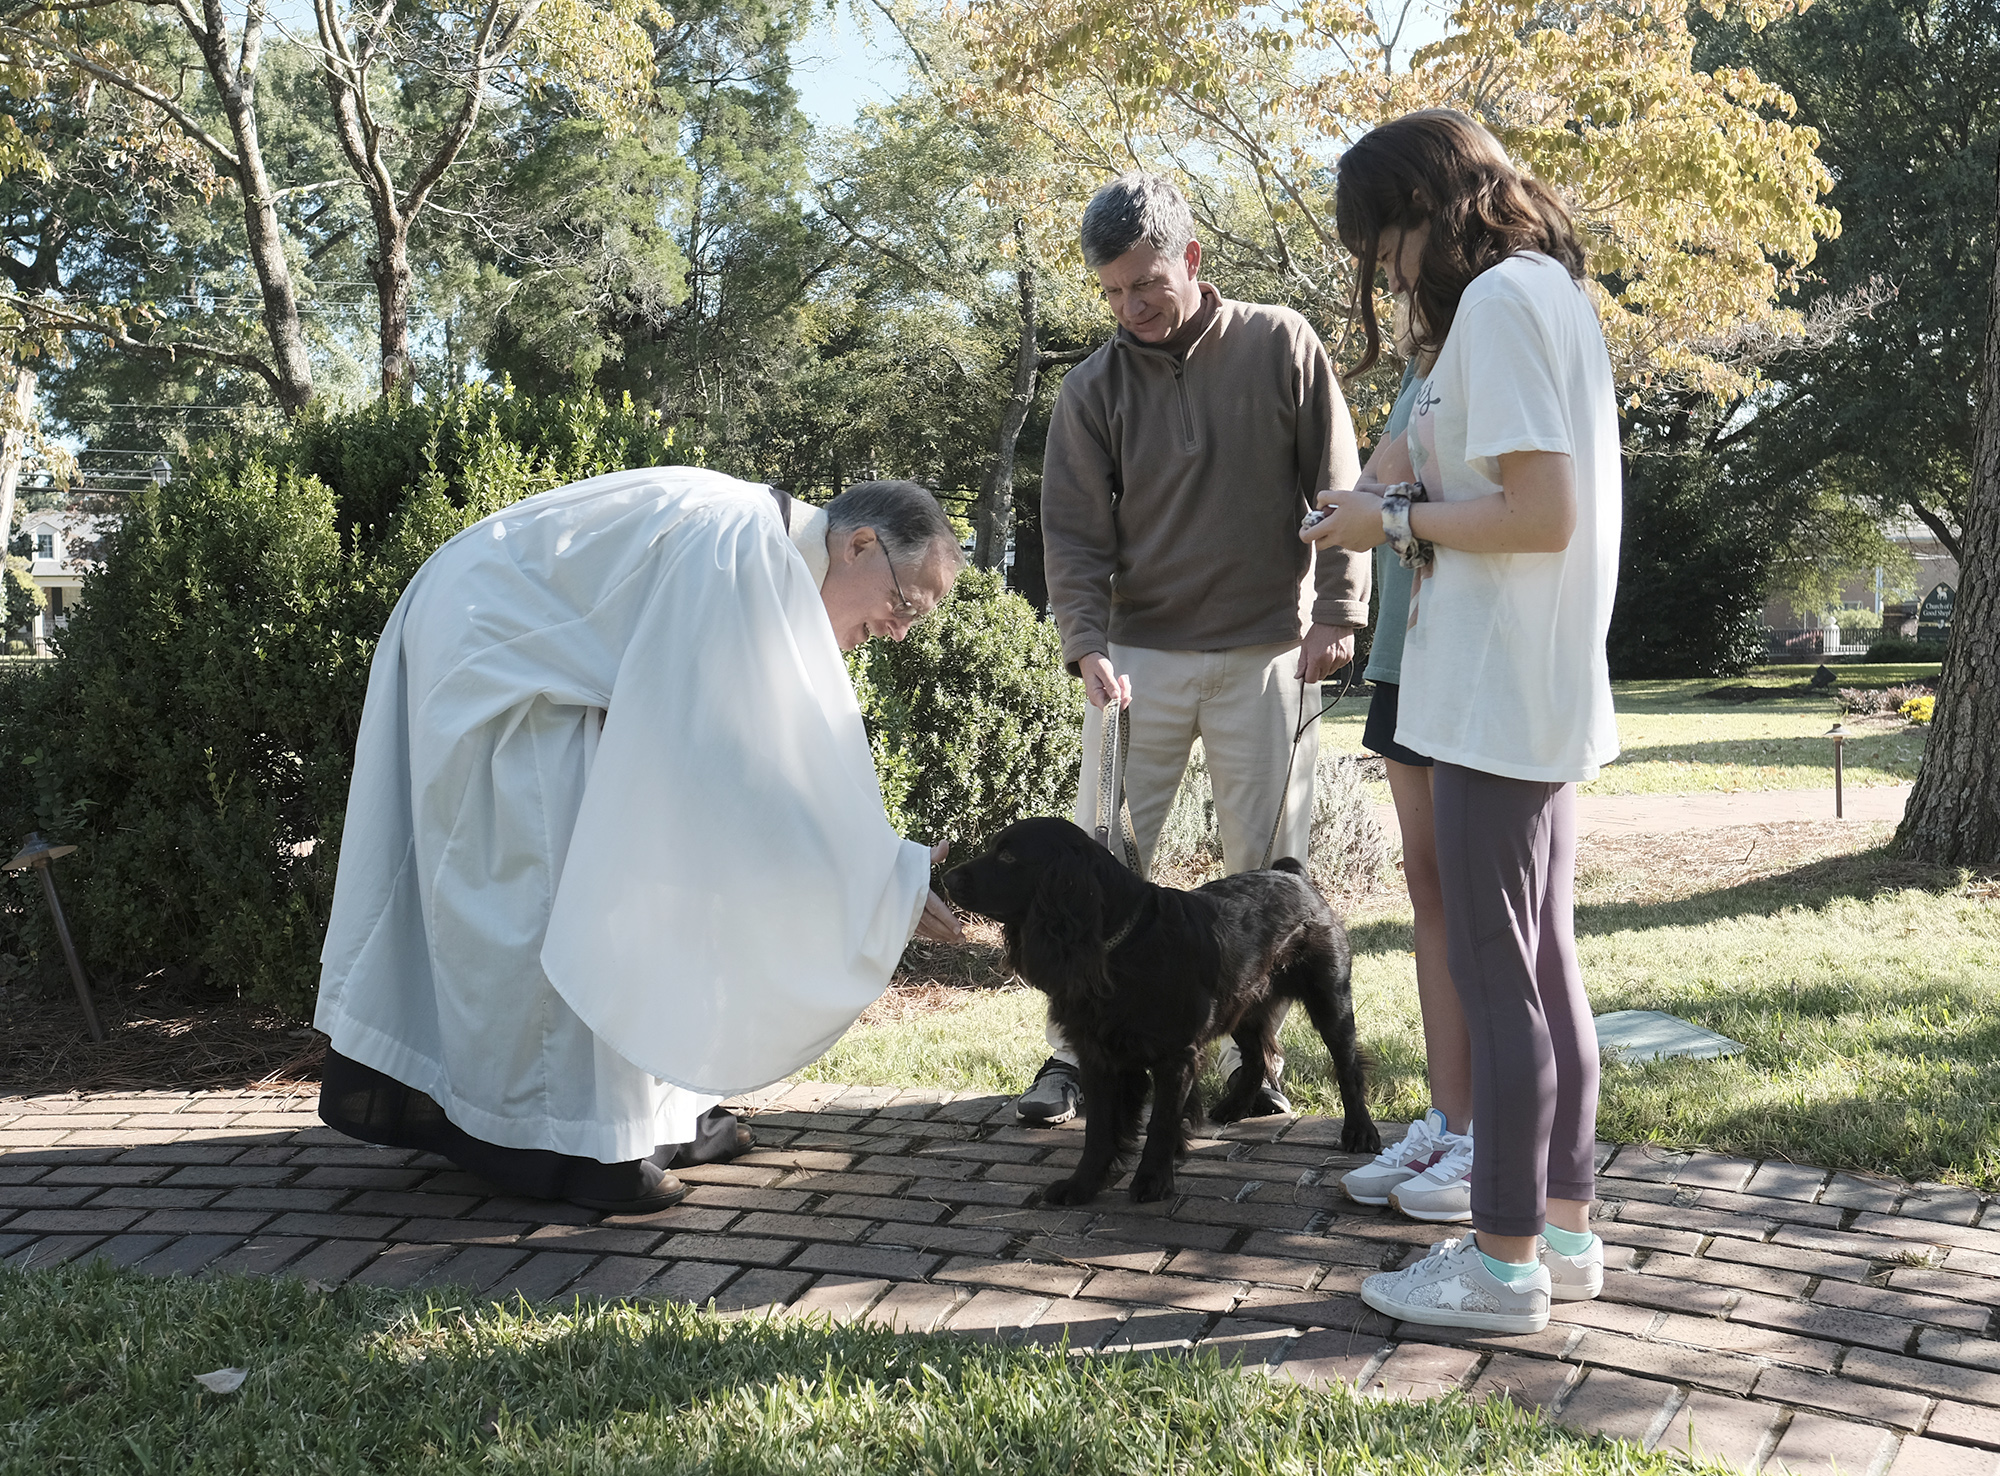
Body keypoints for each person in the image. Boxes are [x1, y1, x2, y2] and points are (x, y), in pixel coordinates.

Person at [315, 470, 967, 1213]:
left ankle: (665, 1115)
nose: (899, 631)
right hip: (497, 664)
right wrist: (883, 886)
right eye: (904, 602)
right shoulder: (743, 547)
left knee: (658, 864)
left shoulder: (765, 553)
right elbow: (735, 762)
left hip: (515, 649)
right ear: (857, 545)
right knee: (555, 889)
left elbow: (751, 764)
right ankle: (563, 1147)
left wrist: (882, 881)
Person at [1304, 110, 1620, 1334]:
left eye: (1379, 241)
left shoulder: (1497, 305)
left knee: (1503, 978)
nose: (1383, 271)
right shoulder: (1542, 295)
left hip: (1497, 687)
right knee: (1542, 961)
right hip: (1520, 679)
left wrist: (1385, 524)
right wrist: (1390, 504)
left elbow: (1538, 513)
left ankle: (1496, 1267)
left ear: (1421, 208)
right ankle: (1561, 1229)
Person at [1025, 171, 1369, 1126]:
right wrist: (1084, 645)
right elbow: (1074, 535)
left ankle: (1256, 1065)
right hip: (1138, 660)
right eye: (1111, 292)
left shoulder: (1281, 343)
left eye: (1145, 284)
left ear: (1192, 259)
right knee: (1099, 863)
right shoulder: (1091, 390)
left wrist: (1338, 611)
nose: (1130, 308)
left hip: (1270, 651)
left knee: (1268, 870)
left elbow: (1337, 490)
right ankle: (1073, 1059)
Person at [1336, 318, 1476, 1224]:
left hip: (1466, 658)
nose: (1390, 291)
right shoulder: (1423, 361)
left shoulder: (1492, 338)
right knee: (1430, 892)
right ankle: (1448, 1117)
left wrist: (1379, 513)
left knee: (1479, 899)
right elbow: (1381, 473)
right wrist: (1344, 508)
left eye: (1393, 261)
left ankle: (1486, 1142)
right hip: (1401, 657)